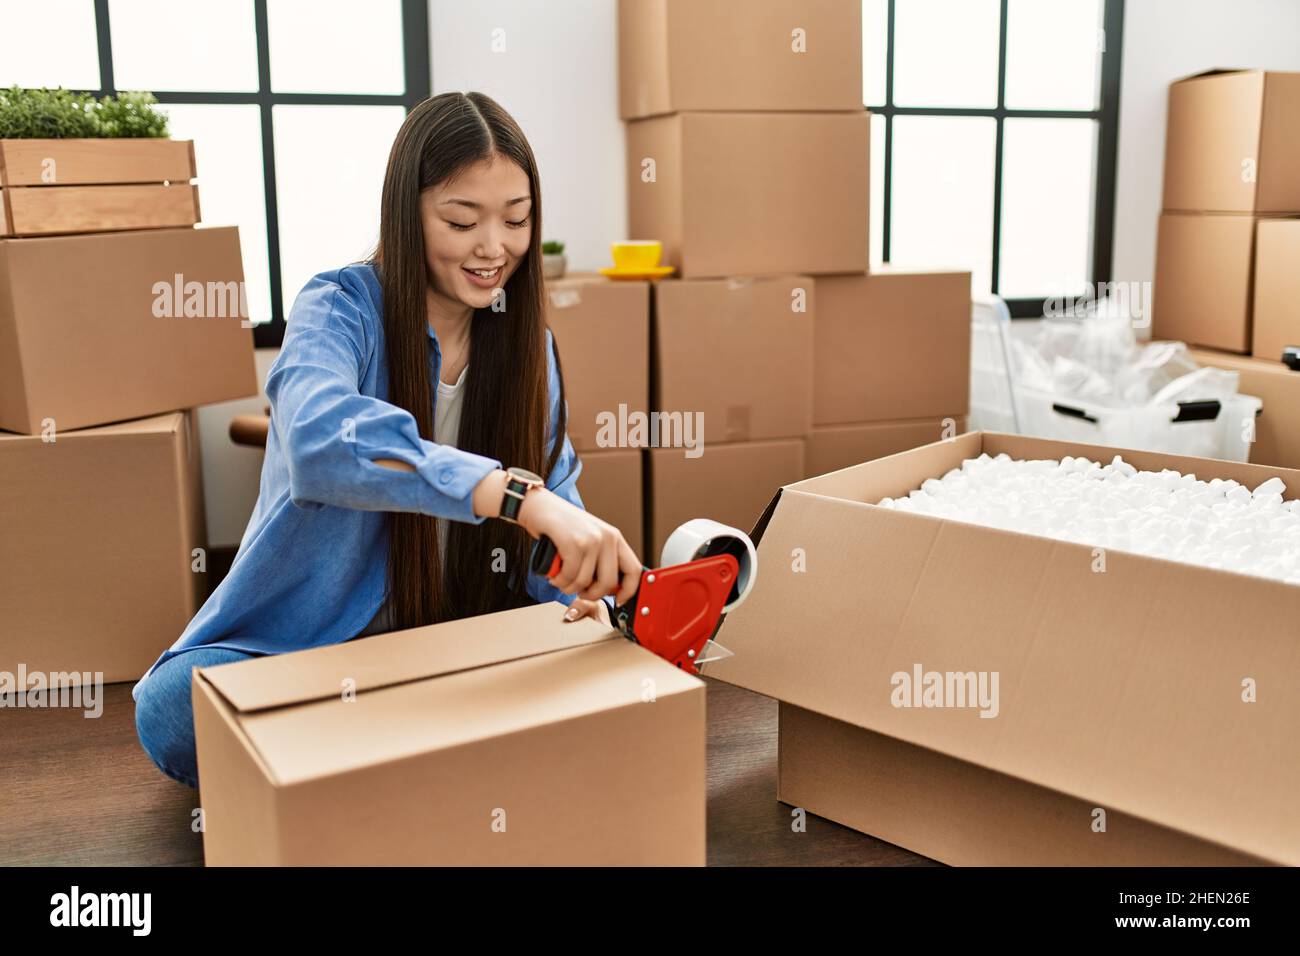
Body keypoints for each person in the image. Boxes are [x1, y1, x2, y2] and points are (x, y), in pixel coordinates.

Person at [133, 91, 642, 789]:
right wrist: (511, 494)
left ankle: (378, 764)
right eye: (462, 220)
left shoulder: (530, 348)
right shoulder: (338, 307)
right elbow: (320, 440)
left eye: (516, 221)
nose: (494, 248)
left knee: (608, 666)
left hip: (461, 641)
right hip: (319, 655)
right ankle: (435, 752)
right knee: (174, 709)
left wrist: (581, 590)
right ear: (408, 213)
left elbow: (557, 508)